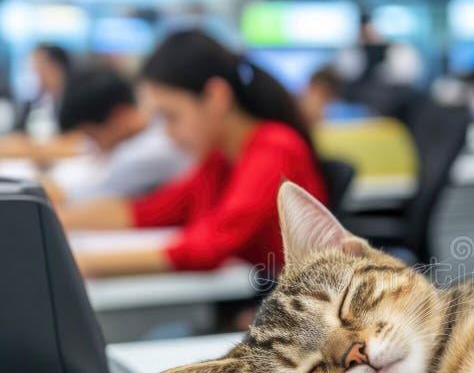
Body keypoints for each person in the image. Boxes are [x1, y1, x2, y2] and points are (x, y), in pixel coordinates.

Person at [58, 30, 328, 277]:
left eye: (172, 117)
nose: (168, 133)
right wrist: (58, 221)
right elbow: (151, 211)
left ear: (216, 96)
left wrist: (84, 263)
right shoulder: (222, 158)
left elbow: (208, 247)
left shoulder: (274, 149)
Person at [41, 65, 187, 204]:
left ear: (119, 116)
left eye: (93, 135)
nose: (94, 144)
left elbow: (86, 197)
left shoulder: (150, 151)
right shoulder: (144, 135)